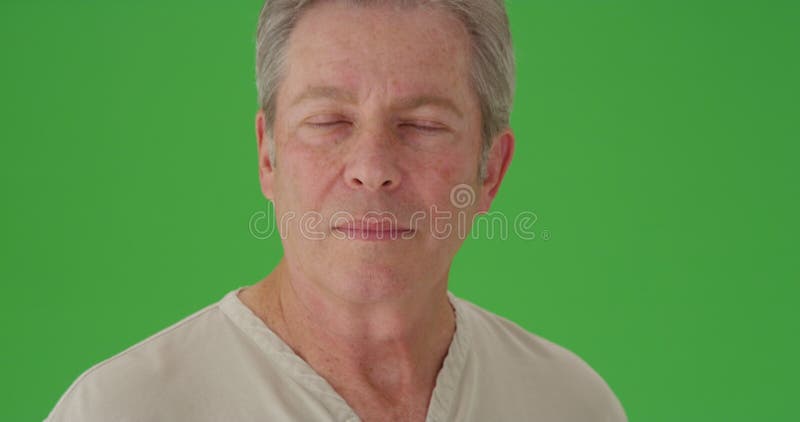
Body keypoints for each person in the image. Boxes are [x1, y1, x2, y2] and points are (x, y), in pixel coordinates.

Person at [46, 1, 627, 421]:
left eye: (422, 126)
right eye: (329, 122)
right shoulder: (123, 410)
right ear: (267, 156)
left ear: (490, 171)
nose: (372, 167)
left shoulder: (570, 403)